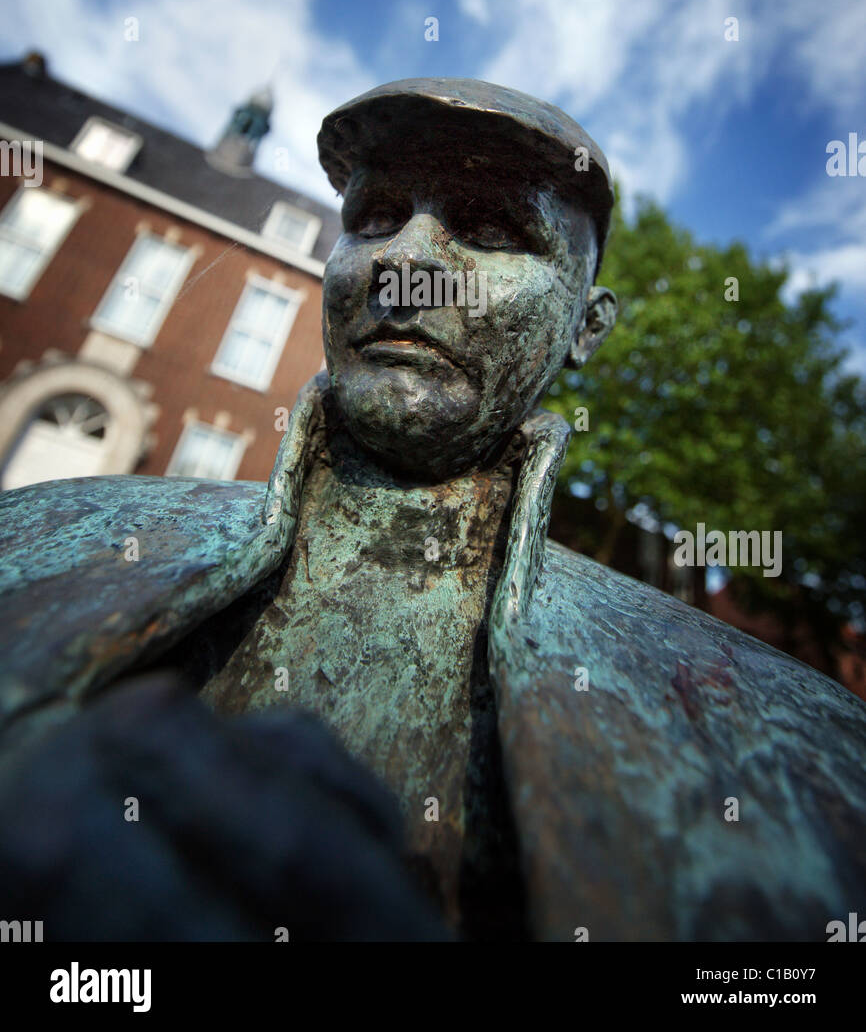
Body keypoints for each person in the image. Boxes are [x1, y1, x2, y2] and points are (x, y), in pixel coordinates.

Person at [0, 78, 864, 942]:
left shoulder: (796, 746)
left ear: (586, 328)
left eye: (490, 230)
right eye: (372, 219)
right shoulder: (34, 538)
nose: (403, 266)